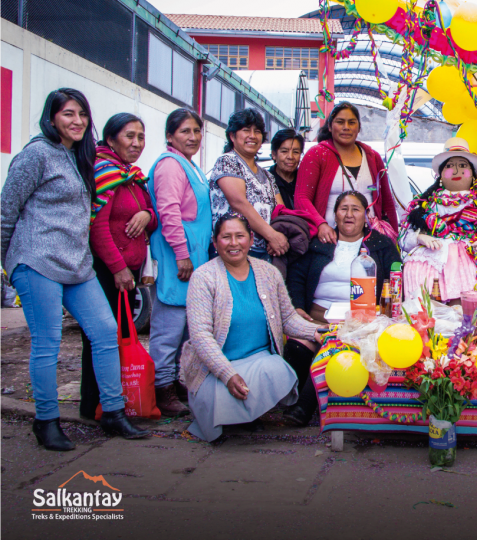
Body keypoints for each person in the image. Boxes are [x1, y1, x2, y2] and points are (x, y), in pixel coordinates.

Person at [1, 88, 148, 450]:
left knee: (105, 331)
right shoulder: (36, 154)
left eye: (82, 114)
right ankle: (46, 421)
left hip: (77, 264)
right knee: (48, 343)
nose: (77, 121)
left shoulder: (82, 158)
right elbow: (6, 211)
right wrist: (8, 263)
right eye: (68, 114)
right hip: (37, 261)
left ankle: (113, 413)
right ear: (52, 119)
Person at [182, 215, 324, 441]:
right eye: (226, 237)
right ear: (215, 241)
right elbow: (200, 336)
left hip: (258, 362)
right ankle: (234, 414)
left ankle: (244, 415)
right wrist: (227, 374)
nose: (234, 243)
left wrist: (314, 332)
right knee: (215, 412)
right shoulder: (203, 277)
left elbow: (286, 317)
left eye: (240, 236)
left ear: (251, 240)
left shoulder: (268, 272)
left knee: (277, 367)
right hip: (215, 370)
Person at [285, 191, 401, 425]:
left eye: (356, 209)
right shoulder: (319, 242)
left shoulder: (380, 244)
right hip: (315, 318)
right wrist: (297, 309)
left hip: (359, 321)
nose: (349, 215)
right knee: (296, 348)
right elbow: (296, 277)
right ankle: (314, 399)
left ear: (366, 215)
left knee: (334, 346)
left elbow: (394, 279)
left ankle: (304, 408)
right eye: (343, 209)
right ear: (334, 215)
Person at [82, 113, 158, 419]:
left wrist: (146, 216)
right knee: (102, 339)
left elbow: (151, 214)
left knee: (122, 339)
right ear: (110, 139)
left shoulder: (131, 175)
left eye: (141, 136)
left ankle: (120, 400)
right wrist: (117, 268)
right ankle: (94, 405)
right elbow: (97, 229)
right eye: (129, 136)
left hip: (129, 272)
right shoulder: (104, 171)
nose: (137, 143)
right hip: (108, 272)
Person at [146, 108, 211, 417]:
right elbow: (168, 212)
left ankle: (181, 386)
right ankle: (162, 391)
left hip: (192, 259)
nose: (193, 137)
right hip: (177, 259)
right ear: (170, 136)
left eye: (197, 131)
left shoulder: (190, 166)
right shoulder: (170, 165)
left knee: (188, 329)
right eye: (185, 131)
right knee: (168, 329)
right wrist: (182, 253)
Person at [401, 138, 477, 303]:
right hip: (434, 259)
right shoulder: (425, 203)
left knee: (467, 307)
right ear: (440, 174)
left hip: (472, 260)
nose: (456, 171)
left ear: (473, 173)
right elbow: (403, 237)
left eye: (463, 166)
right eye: (449, 166)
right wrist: (419, 238)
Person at [295, 102, 398, 242]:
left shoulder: (373, 157)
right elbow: (301, 198)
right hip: (330, 240)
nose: (346, 127)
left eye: (351, 122)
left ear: (358, 127)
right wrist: (321, 225)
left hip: (371, 241)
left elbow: (387, 202)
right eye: (340, 122)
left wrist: (394, 241)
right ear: (330, 127)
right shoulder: (316, 155)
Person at [209, 109, 286, 260]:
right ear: (232, 136)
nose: (252, 136)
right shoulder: (228, 162)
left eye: (257, 131)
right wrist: (271, 235)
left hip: (264, 252)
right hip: (233, 250)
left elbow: (280, 211)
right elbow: (239, 203)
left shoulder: (268, 176)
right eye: (246, 130)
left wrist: (276, 236)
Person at [269, 128, 305, 209]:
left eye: (296, 152)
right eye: (284, 151)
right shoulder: (266, 181)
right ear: (274, 154)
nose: (290, 157)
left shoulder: (305, 180)